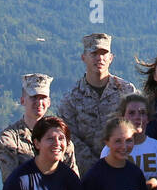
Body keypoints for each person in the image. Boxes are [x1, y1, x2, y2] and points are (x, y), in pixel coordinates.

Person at [58, 32, 139, 173]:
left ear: (111, 58)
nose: (99, 58)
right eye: (94, 53)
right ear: (84, 58)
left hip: (123, 167)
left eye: (104, 53)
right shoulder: (71, 98)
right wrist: (97, 166)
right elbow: (69, 137)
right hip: (86, 173)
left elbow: (137, 126)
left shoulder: (127, 91)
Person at [0, 73, 80, 190]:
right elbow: (12, 182)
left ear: (49, 102)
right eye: (34, 97)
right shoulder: (8, 139)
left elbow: (74, 182)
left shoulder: (63, 141)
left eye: (43, 97)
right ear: (23, 100)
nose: (39, 102)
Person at [101, 94, 157, 189]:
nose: (138, 117)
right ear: (122, 117)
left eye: (142, 113)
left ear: (148, 118)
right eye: (131, 113)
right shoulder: (111, 149)